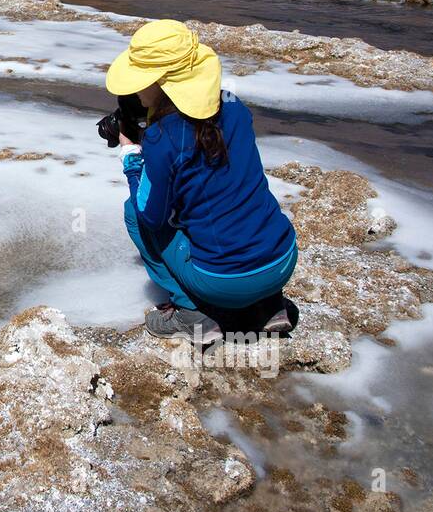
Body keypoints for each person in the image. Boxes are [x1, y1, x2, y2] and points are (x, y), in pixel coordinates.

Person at [106, 19, 298, 344]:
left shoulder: (161, 139)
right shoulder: (235, 108)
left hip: (223, 283)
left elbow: (149, 213)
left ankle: (190, 315)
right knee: (237, 203)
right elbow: (211, 168)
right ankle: (270, 308)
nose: (136, 90)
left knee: (133, 212)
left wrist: (132, 157)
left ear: (163, 82)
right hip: (282, 259)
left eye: (142, 80)